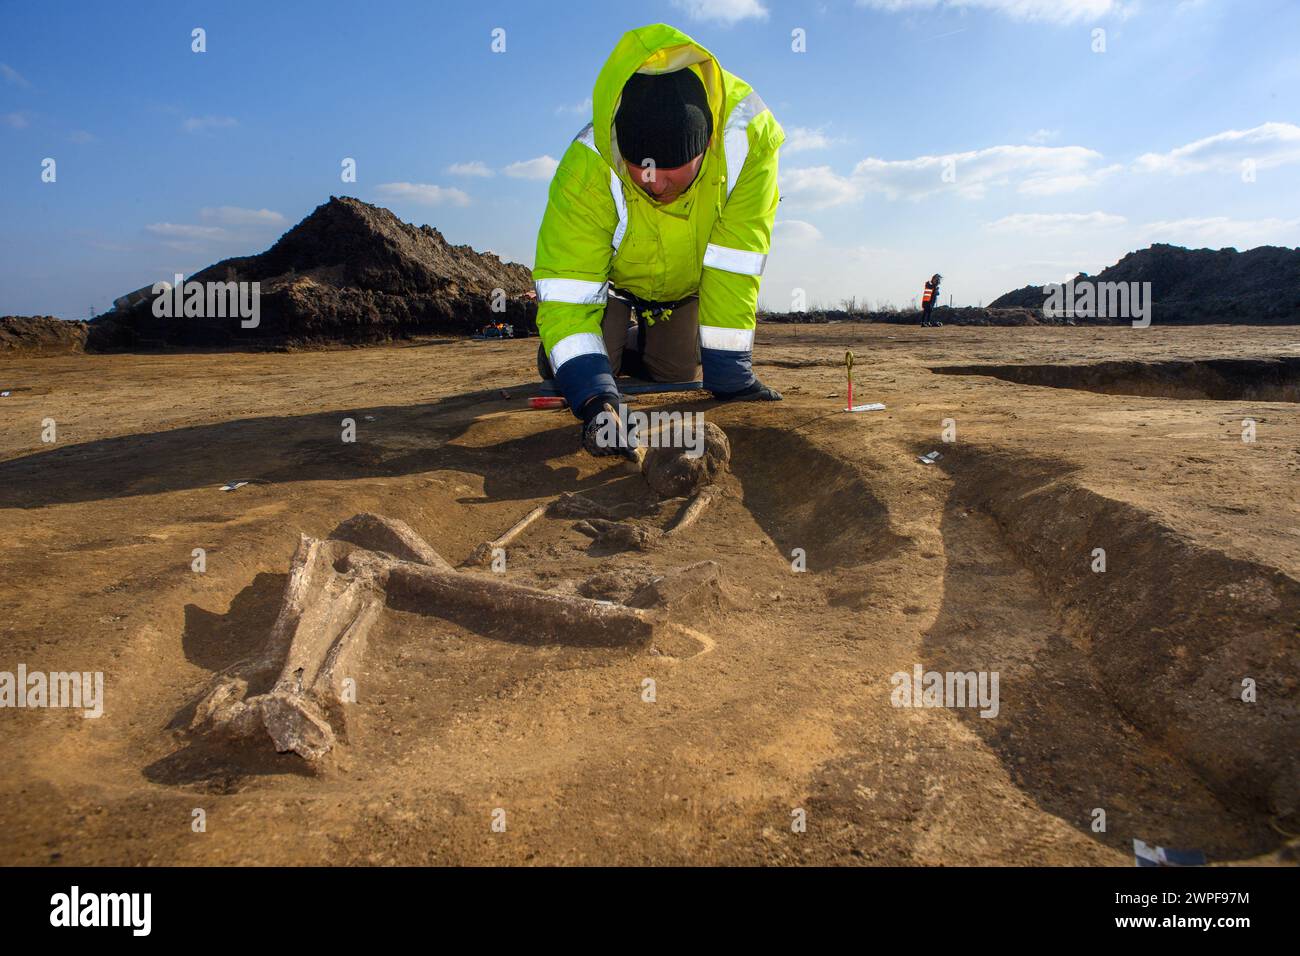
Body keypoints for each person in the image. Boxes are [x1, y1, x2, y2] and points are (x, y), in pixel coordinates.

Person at [532, 23, 785, 458]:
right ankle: (581, 355)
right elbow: (568, 288)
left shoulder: (748, 142)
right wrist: (596, 400)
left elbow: (734, 261)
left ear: (705, 146)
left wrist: (731, 377)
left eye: (672, 170)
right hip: (613, 285)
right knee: (588, 370)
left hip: (682, 288)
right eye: (641, 168)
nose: (655, 183)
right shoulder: (585, 168)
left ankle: (633, 344)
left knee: (678, 368)